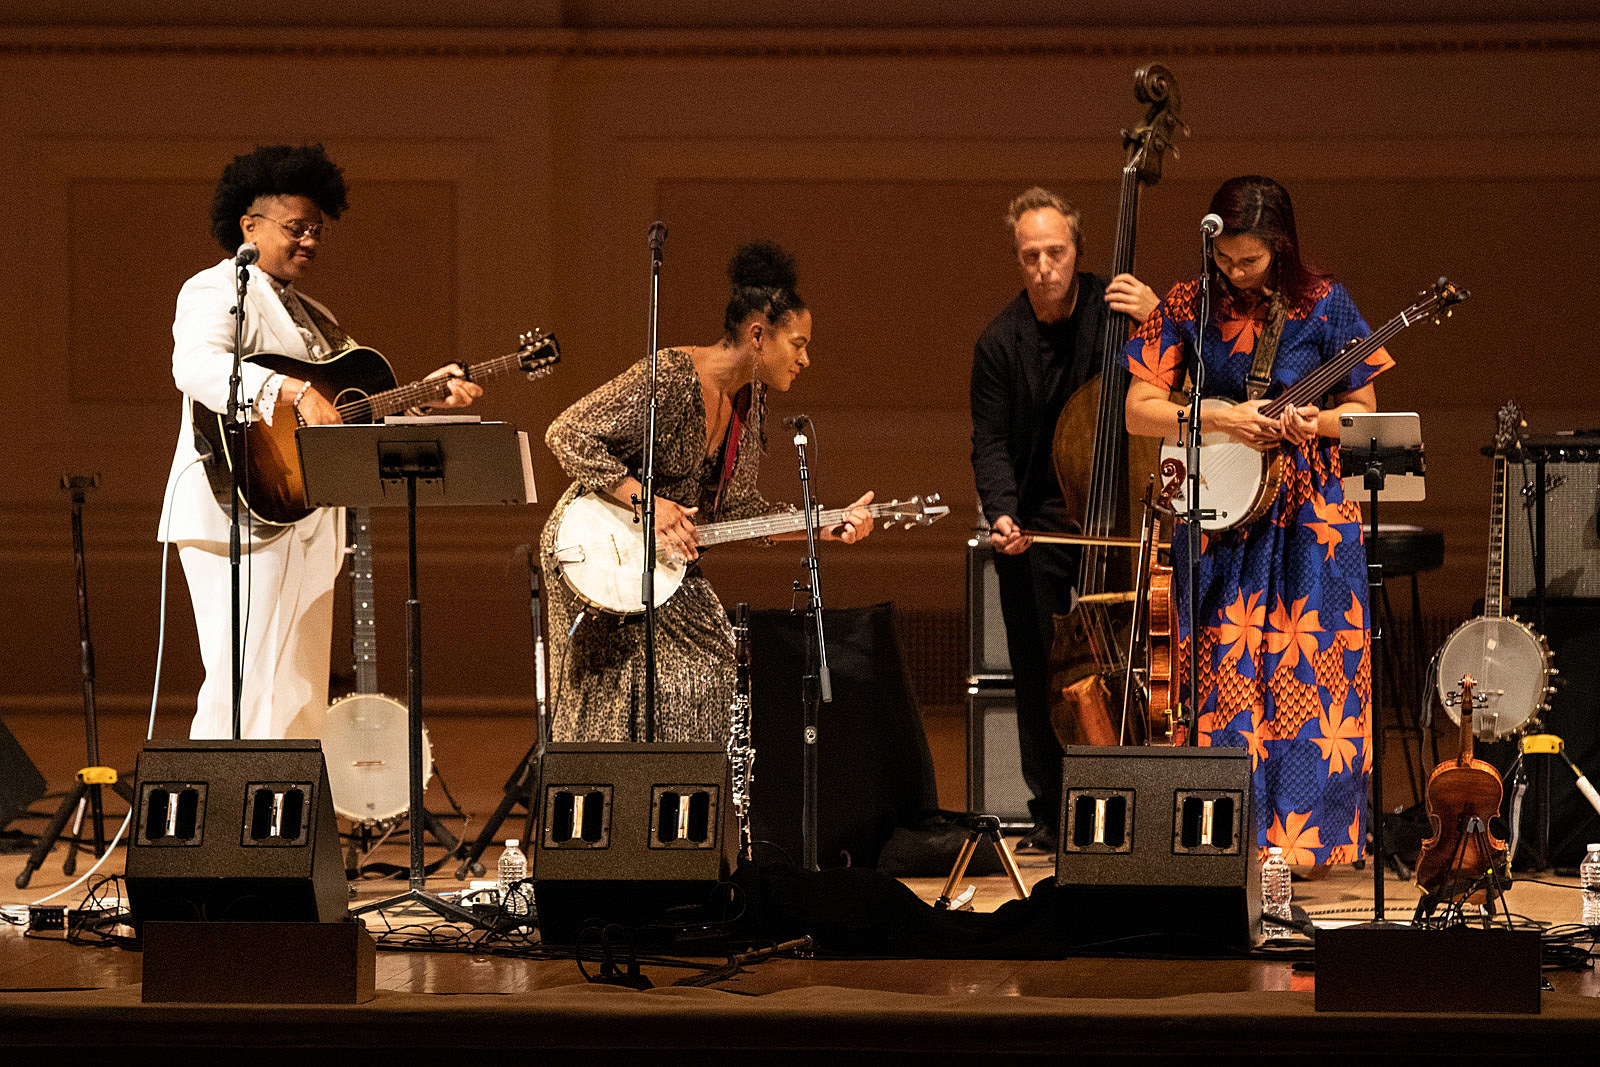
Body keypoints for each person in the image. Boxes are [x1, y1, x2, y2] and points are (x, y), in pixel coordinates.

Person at [158, 144, 480, 740]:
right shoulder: (214, 289)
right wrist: (290, 390)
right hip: (240, 509)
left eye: (317, 230)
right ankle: (221, 823)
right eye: (295, 227)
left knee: (301, 692)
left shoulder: (315, 313)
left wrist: (420, 396)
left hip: (306, 511)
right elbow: (196, 367)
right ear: (249, 226)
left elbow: (347, 405)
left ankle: (284, 827)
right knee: (243, 685)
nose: (309, 241)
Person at [1124, 175, 1392, 867]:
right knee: (1222, 664)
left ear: (1281, 244)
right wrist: (1219, 413)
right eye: (1227, 260)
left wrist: (1315, 420)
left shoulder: (1326, 305)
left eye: (1251, 260)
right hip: (1222, 510)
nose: (1236, 273)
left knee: (1312, 670)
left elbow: (1368, 415)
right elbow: (1138, 408)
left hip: (1311, 518)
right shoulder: (1187, 303)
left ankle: (1304, 844)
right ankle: (1224, 841)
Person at [540, 240, 875, 743]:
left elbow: (738, 512)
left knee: (712, 660)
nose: (806, 359)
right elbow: (566, 433)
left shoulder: (749, 401)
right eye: (799, 343)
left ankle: (678, 816)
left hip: (666, 558)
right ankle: (603, 815)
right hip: (595, 548)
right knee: (606, 706)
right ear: (759, 335)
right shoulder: (671, 376)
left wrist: (820, 525)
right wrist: (649, 504)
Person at [970, 188, 1159, 851]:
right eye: (1031, 256)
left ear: (1077, 251)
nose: (1045, 266)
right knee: (1041, 669)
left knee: (1149, 660)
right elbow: (989, 443)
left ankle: (1151, 791)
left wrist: (1163, 318)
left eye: (1056, 251)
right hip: (1040, 521)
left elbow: (1191, 380)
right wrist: (1001, 513)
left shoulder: (1122, 312)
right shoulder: (999, 342)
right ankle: (1052, 810)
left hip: (1127, 519)